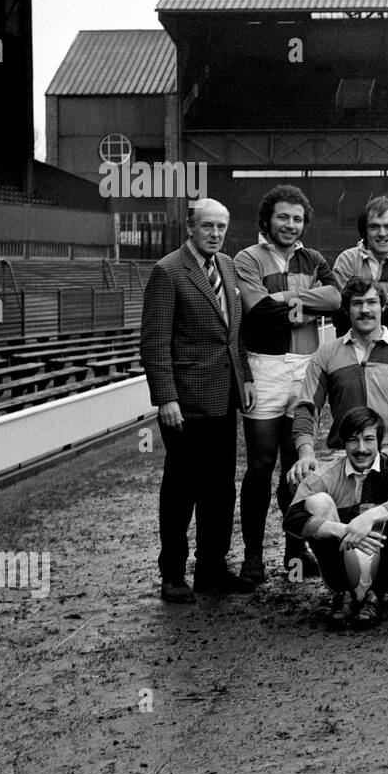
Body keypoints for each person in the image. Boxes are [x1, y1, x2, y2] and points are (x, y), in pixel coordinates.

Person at [140, 198, 254, 602]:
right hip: (184, 405)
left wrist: (245, 379)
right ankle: (172, 573)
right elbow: (154, 342)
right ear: (190, 227)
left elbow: (233, 334)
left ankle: (212, 569)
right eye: (207, 226)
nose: (215, 234)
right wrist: (165, 397)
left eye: (221, 227)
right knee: (181, 489)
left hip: (223, 398)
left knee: (220, 489)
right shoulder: (168, 271)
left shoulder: (226, 266)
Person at [233, 184, 341, 585]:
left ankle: (295, 553)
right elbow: (257, 312)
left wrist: (285, 297)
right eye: (283, 217)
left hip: (306, 366)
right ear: (267, 220)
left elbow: (335, 299)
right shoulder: (247, 258)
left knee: (297, 466)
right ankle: (253, 558)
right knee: (261, 465)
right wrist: (304, 302)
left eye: (297, 219)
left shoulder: (312, 257)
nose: (290, 225)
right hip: (265, 367)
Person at [284, 406, 388, 628]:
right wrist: (343, 530)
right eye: (353, 440)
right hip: (344, 567)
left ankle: (376, 596)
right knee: (318, 501)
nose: (361, 448)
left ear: (379, 442)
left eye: (369, 440)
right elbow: (291, 519)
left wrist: (371, 517)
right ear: (344, 442)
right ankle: (343, 597)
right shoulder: (327, 474)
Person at [288, 276, 388, 486]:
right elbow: (307, 407)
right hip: (346, 453)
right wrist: (306, 452)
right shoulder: (326, 354)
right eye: (357, 303)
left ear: (383, 306)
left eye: (372, 302)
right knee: (299, 483)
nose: (365, 309)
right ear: (347, 309)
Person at [330, 195, 388, 345]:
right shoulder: (347, 260)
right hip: (353, 354)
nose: (382, 233)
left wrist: (362, 302)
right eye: (374, 226)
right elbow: (341, 312)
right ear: (364, 230)